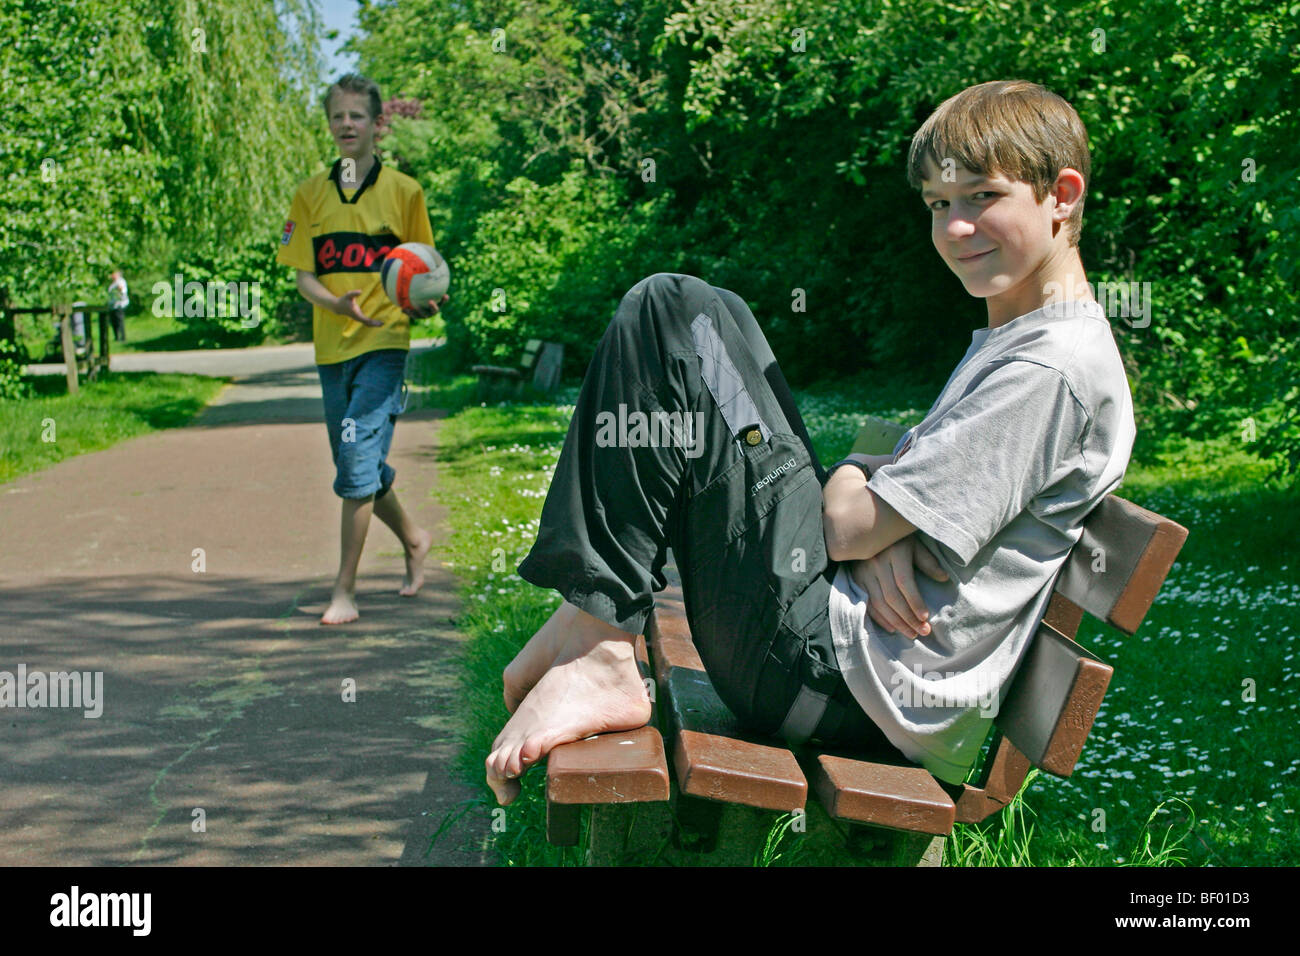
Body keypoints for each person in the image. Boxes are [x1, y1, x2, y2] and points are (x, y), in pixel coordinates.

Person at [485, 79, 1136, 806]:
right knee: (713, 318)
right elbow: (883, 477)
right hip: (838, 656)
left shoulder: (1052, 369)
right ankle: (589, 620)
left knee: (674, 313)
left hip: (834, 681)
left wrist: (868, 511)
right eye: (937, 205)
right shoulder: (1028, 343)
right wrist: (873, 504)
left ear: (1062, 194)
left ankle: (598, 640)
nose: (955, 226)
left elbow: (850, 521)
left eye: (982, 196)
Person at [276, 73, 447, 625]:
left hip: (386, 343)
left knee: (354, 463)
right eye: (337, 116)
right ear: (329, 125)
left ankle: (343, 591)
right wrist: (336, 305)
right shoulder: (309, 195)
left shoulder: (405, 191)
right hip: (332, 348)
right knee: (358, 461)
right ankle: (415, 539)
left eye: (356, 116)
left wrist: (424, 305)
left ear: (377, 124)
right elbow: (304, 277)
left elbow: (425, 271)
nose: (346, 124)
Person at [107, 272, 128, 342]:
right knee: (114, 322)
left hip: (119, 304)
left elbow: (122, 290)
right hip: (113, 305)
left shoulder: (120, 281)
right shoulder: (113, 283)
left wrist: (119, 293)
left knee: (119, 321)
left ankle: (122, 337)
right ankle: (117, 337)